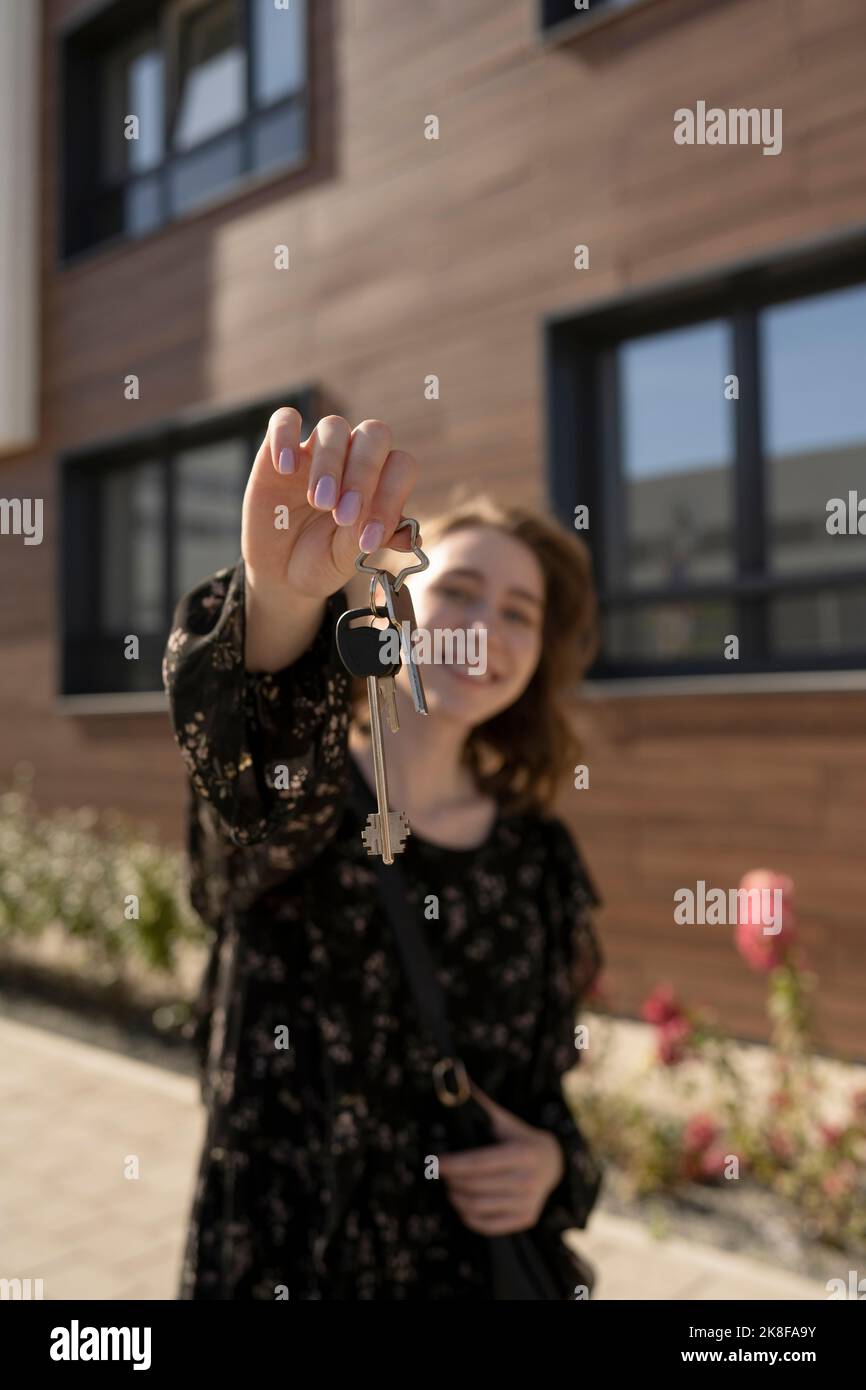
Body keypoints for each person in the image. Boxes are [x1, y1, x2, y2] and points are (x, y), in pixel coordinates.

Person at [163, 409, 604, 1300]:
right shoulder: (302, 795)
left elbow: (540, 1091)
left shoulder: (538, 858)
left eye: (520, 612)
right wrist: (282, 602)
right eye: (461, 590)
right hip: (286, 1265)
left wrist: (553, 1163)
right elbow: (251, 807)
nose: (487, 625)